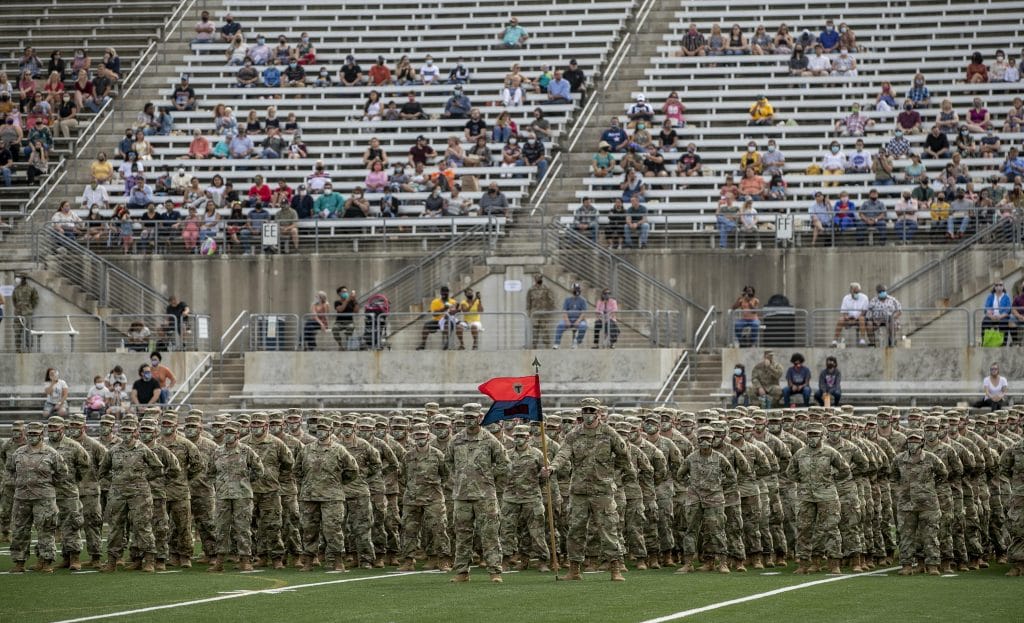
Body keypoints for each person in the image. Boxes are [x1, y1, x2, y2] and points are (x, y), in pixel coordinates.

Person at [545, 397, 636, 581]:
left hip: (602, 490)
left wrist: (615, 473)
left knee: (608, 530)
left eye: (592, 411)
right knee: (576, 530)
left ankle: (615, 568)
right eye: (585, 411)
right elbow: (563, 453)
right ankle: (574, 570)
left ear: (599, 413)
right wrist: (553, 467)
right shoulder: (574, 434)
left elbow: (623, 454)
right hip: (579, 491)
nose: (588, 414)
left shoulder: (609, 433)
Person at [445, 403, 509, 583]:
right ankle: (462, 572)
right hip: (462, 495)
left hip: (485, 495)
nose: (469, 420)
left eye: (473, 417)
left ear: (480, 418)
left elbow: (504, 463)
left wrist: (488, 476)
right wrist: (460, 476)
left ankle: (495, 571)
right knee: (462, 535)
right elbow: (448, 462)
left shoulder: (489, 440)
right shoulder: (456, 440)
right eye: (466, 417)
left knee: (489, 534)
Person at [97, 417, 163, 573]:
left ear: (135, 432)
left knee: (142, 526)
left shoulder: (143, 449)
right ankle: (112, 561)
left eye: (129, 431)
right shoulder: (113, 451)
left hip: (139, 494)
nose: (126, 434)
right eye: (123, 431)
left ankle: (148, 560)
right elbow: (102, 471)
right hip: (117, 494)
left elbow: (158, 469)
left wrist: (143, 479)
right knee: (115, 527)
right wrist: (115, 481)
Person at [294, 417, 359, 572]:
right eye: (319, 428)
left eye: (324, 428)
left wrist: (337, 483)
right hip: (309, 496)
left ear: (330, 430)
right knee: (309, 529)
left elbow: (353, 470)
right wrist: (307, 484)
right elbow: (297, 470)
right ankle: (309, 560)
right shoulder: (306, 449)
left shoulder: (339, 450)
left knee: (332, 529)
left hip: (332, 496)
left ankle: (337, 560)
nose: (321, 431)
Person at [786, 423, 850, 575]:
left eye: (815, 435)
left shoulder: (830, 452)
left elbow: (845, 469)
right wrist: (803, 482)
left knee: (830, 528)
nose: (812, 438)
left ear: (822, 435)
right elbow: (790, 472)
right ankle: (805, 563)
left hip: (827, 496)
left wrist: (830, 479)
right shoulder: (800, 453)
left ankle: (834, 563)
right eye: (810, 435)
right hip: (806, 496)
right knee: (804, 529)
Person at [7, 420, 66, 574]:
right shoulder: (18, 453)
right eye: (30, 434)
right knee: (20, 531)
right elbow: (11, 470)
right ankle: (19, 562)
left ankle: (45, 561)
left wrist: (47, 486)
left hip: (44, 498)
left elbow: (62, 473)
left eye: (35, 434)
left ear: (42, 434)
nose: (32, 436)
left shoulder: (51, 453)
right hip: (22, 498)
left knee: (46, 530)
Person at [207, 421, 265, 572]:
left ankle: (245, 560)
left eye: (231, 433)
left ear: (238, 434)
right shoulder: (217, 452)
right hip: (223, 496)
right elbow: (210, 472)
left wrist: (244, 482)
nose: (228, 436)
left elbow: (259, 470)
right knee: (221, 528)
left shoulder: (246, 451)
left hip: (242, 496)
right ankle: (219, 561)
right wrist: (219, 484)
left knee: (243, 528)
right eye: (226, 433)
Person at [890, 430, 947, 576]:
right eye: (910, 441)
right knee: (906, 536)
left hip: (928, 504)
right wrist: (900, 491)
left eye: (915, 441)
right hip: (906, 504)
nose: (912, 444)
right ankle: (907, 565)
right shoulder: (899, 459)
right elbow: (893, 477)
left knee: (930, 535)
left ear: (922, 442)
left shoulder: (931, 458)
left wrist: (930, 488)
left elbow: (943, 474)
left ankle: (932, 564)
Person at [398, 423, 451, 571]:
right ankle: (408, 560)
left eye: (422, 435)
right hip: (412, 499)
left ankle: (443, 559)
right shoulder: (407, 456)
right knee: (409, 530)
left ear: (428, 436)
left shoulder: (437, 455)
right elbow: (402, 476)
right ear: (413, 437)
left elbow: (446, 475)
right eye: (417, 436)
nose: (420, 438)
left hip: (433, 498)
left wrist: (434, 487)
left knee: (439, 529)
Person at [832, 282, 869, 346]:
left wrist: (856, 318)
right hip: (849, 319)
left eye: (857, 292)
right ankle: (834, 340)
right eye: (854, 292)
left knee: (861, 318)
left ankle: (862, 340)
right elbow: (844, 312)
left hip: (860, 319)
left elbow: (864, 312)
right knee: (841, 319)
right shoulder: (846, 298)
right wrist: (847, 317)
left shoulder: (864, 298)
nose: (856, 294)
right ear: (850, 291)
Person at [553, 282, 587, 349]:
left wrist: (578, 321)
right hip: (568, 319)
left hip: (579, 320)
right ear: (572, 290)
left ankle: (576, 342)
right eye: (575, 289)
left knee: (583, 326)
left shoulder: (583, 300)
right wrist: (567, 320)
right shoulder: (567, 300)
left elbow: (583, 313)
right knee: (560, 325)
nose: (576, 291)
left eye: (578, 289)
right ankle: (556, 343)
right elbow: (564, 311)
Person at [527, 274, 555, 349]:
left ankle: (547, 347)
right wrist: (529, 312)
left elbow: (551, 300)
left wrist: (548, 311)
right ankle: (534, 346)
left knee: (545, 330)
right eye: (536, 278)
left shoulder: (546, 289)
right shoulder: (531, 289)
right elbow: (528, 302)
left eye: (539, 278)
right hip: (535, 313)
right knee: (535, 331)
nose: (538, 279)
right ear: (535, 279)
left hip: (544, 313)